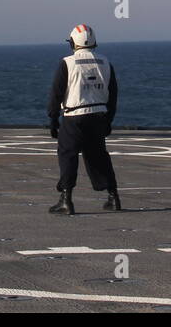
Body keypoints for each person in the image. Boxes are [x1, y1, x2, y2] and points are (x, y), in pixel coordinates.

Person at [47, 24, 120, 215]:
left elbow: (56, 93)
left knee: (68, 155)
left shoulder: (67, 63)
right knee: (98, 156)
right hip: (98, 116)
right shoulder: (105, 62)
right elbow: (113, 94)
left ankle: (66, 199)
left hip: (74, 117)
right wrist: (109, 120)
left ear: (72, 43)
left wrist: (53, 119)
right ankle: (113, 196)